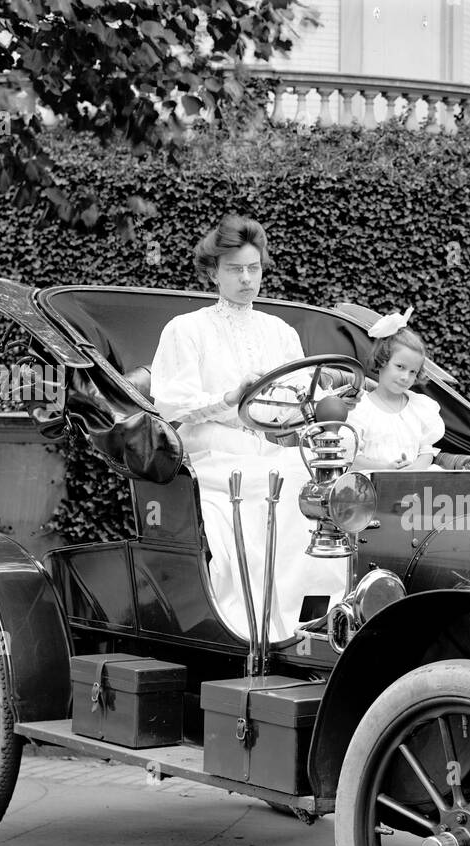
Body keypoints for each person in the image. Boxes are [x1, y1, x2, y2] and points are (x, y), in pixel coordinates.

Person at [149, 214, 348, 643]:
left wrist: (324, 397)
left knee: (319, 484)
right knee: (278, 486)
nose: (246, 279)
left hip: (270, 452)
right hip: (210, 456)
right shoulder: (187, 330)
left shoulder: (280, 332)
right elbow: (170, 405)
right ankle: (256, 629)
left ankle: (311, 617)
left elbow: (297, 400)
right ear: (212, 273)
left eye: (253, 268)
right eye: (234, 269)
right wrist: (229, 399)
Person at [350, 310, 445, 471]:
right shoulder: (360, 408)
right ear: (382, 361)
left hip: (413, 481)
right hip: (373, 481)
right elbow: (352, 459)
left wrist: (414, 469)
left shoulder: (420, 407)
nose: (405, 377)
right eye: (400, 367)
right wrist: (387, 468)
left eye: (413, 372)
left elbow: (426, 451)